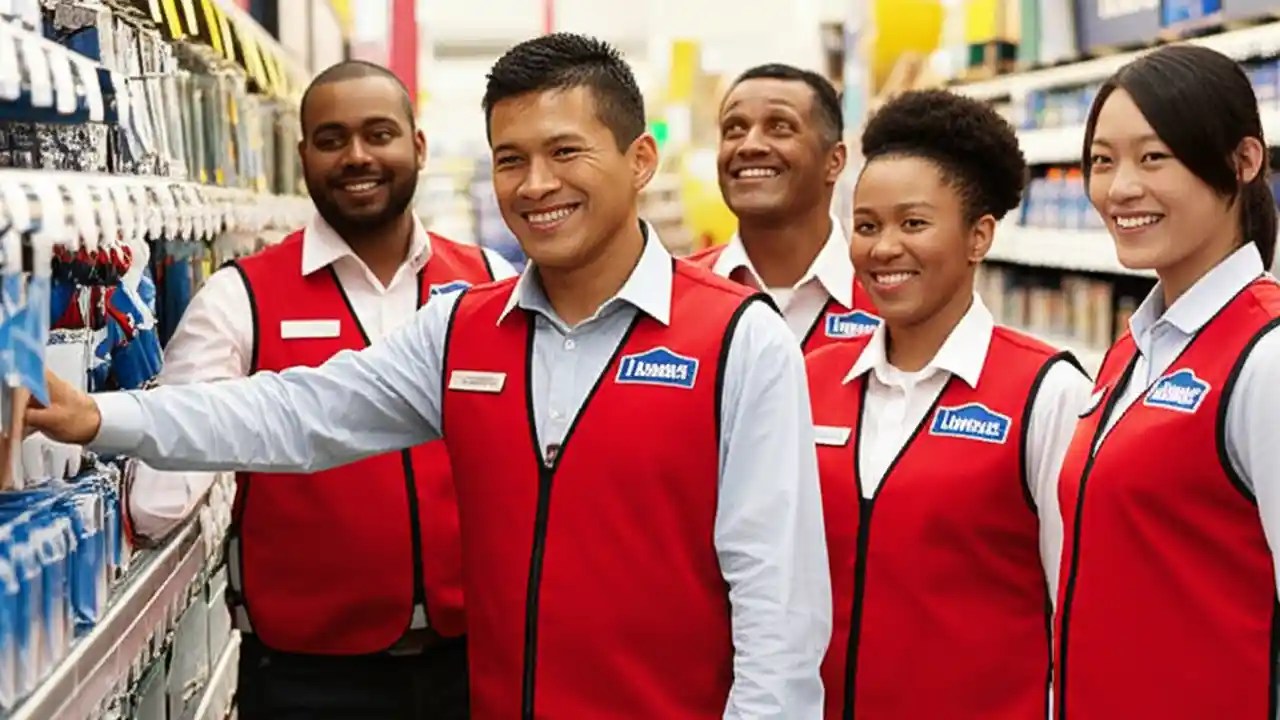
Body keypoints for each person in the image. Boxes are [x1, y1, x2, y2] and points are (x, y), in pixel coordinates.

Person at [28, 33, 831, 720]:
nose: (535, 185)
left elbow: (780, 613)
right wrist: (100, 417)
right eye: (510, 159)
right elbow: (295, 412)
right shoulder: (465, 331)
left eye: (565, 152)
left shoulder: (737, 340)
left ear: (640, 158)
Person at [128, 60, 516, 719]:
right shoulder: (240, 298)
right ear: (304, 155)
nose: (357, 156)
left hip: (471, 668)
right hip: (308, 683)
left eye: (379, 134)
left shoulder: (488, 283)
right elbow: (157, 502)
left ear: (417, 146)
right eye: (332, 140)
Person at [805, 88, 1093, 719]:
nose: (883, 249)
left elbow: (1076, 608)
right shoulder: (808, 382)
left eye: (913, 223)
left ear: (978, 236)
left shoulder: (1047, 393)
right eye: (866, 225)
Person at [1053, 45, 1280, 720]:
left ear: (1243, 162)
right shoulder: (1132, 348)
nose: (1120, 187)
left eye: (1154, 157)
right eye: (1102, 160)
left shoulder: (1265, 356)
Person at [686, 63, 879, 351]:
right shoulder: (673, 295)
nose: (749, 145)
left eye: (779, 127)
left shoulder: (888, 295)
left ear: (834, 161)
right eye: (734, 129)